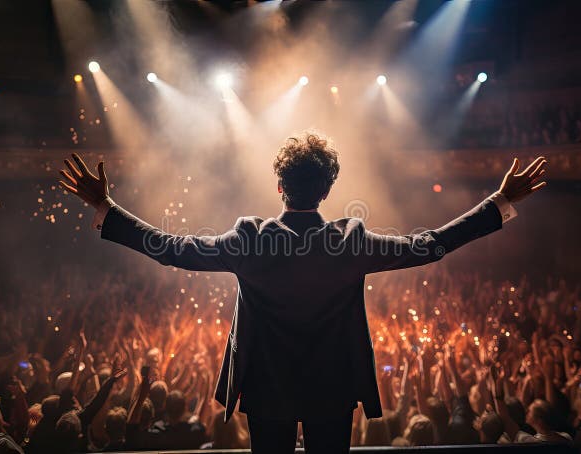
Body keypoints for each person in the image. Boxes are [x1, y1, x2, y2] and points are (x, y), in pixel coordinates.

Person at [58, 133, 548, 453]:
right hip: (333, 387)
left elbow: (170, 248)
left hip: (267, 388)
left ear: (279, 187)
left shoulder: (249, 238)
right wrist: (498, 202)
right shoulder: (350, 240)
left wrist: (105, 206)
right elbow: (431, 245)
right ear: (328, 188)